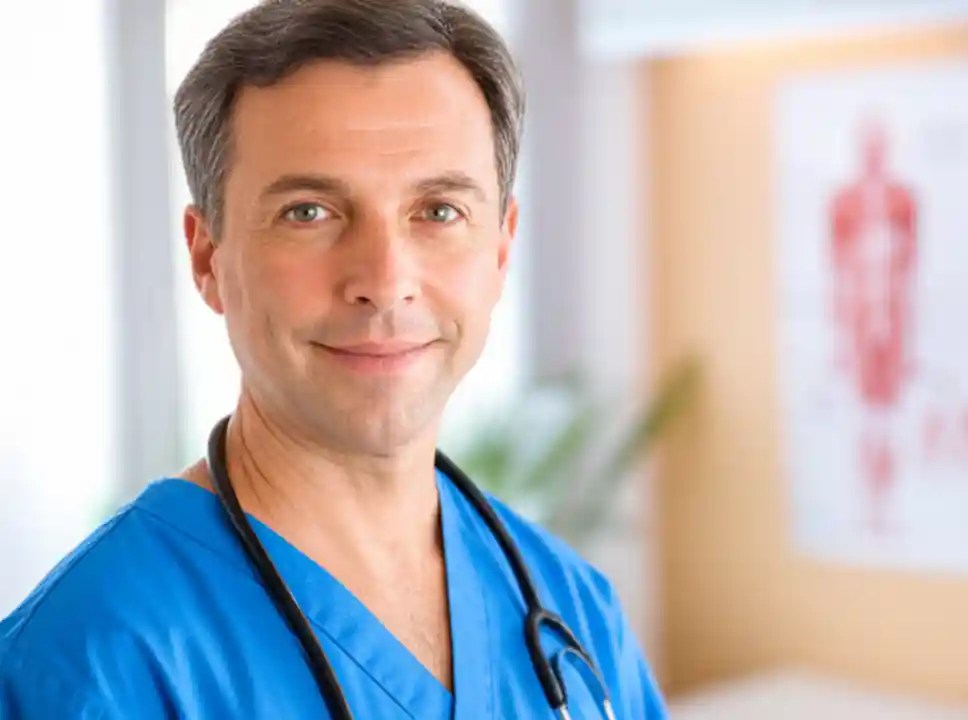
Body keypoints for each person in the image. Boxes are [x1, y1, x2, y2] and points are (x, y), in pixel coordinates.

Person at [0, 1, 667, 717]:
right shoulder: (88, 663)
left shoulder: (574, 611)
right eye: (309, 212)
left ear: (501, 248)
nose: (383, 282)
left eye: (438, 211)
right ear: (206, 257)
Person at [829, 119, 918, 533]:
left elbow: (912, 269)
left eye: (879, 146)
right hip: (860, 320)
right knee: (866, 418)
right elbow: (836, 270)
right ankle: (868, 504)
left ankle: (890, 502)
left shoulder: (903, 199)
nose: (873, 154)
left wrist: (910, 341)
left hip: (893, 319)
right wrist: (841, 340)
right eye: (868, 146)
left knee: (889, 418)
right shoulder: (843, 202)